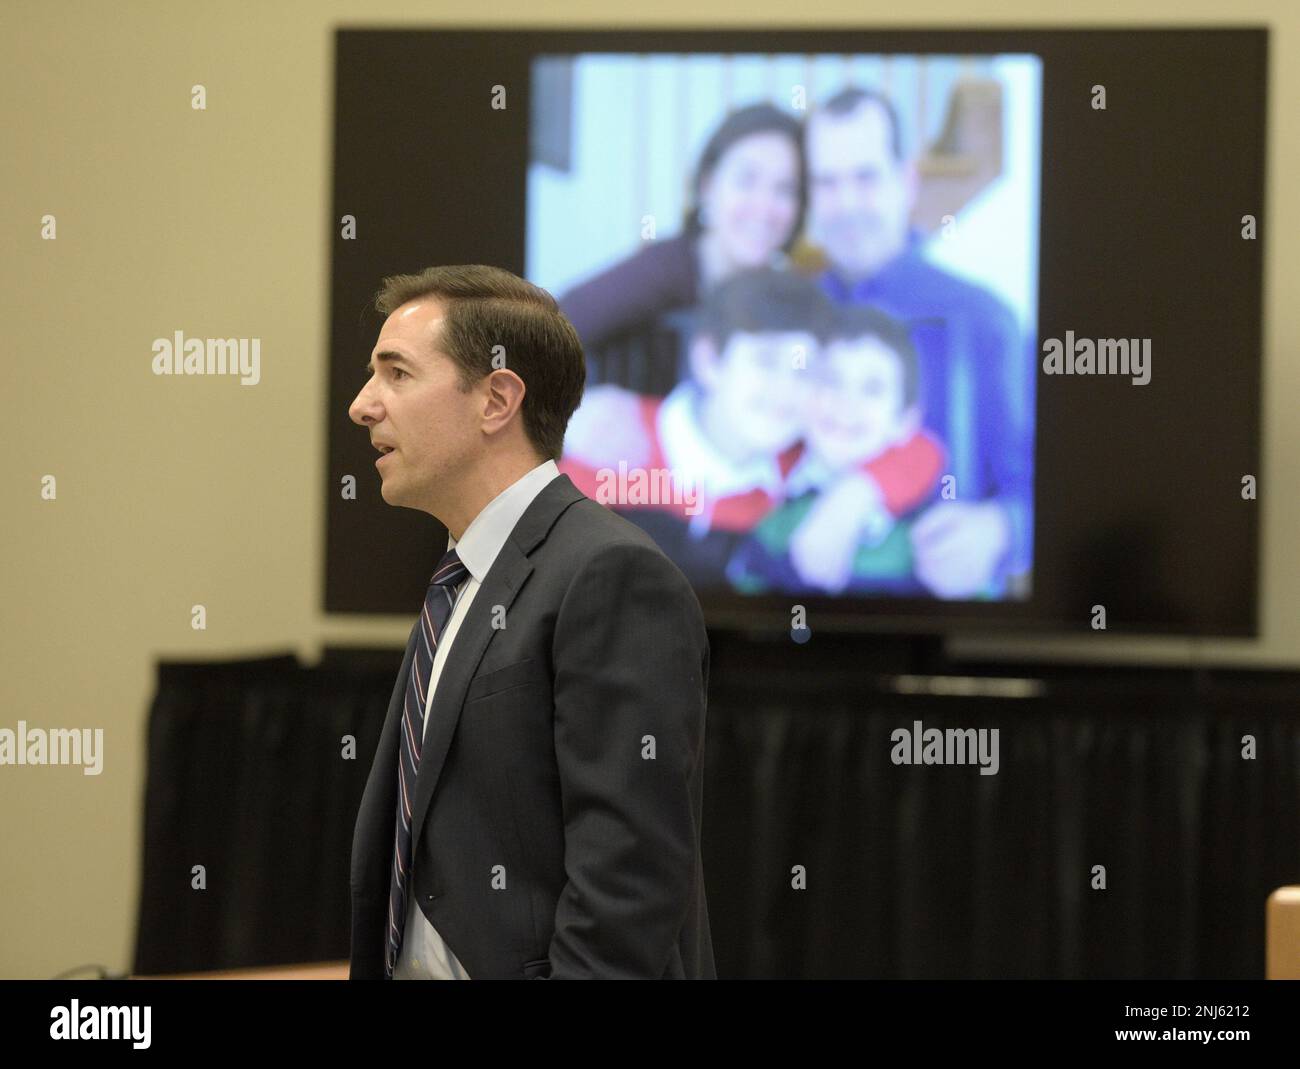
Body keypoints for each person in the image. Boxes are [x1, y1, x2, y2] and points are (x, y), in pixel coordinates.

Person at [346, 264, 715, 979]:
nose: (363, 405)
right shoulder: (458, 577)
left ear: (496, 399)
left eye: (396, 374)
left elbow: (627, 888)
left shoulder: (610, 574)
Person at [558, 268, 942, 589]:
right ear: (710, 360)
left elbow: (920, 449)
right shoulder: (611, 443)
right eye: (765, 361)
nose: (785, 389)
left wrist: (854, 497)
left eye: (805, 369)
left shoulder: (798, 458)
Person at [803, 86, 1034, 598]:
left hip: (937, 638)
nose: (845, 204)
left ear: (906, 182)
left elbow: (1048, 484)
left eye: (865, 177)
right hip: (792, 627)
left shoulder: (986, 319)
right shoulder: (788, 319)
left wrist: (1000, 531)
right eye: (826, 182)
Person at [558, 101, 806, 369]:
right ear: (707, 187)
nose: (765, 207)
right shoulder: (664, 269)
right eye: (747, 180)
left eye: (784, 189)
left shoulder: (789, 295)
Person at [727, 303, 946, 595]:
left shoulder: (929, 519)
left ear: (905, 420)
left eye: (872, 388)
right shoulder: (769, 504)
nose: (846, 402)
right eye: (831, 379)